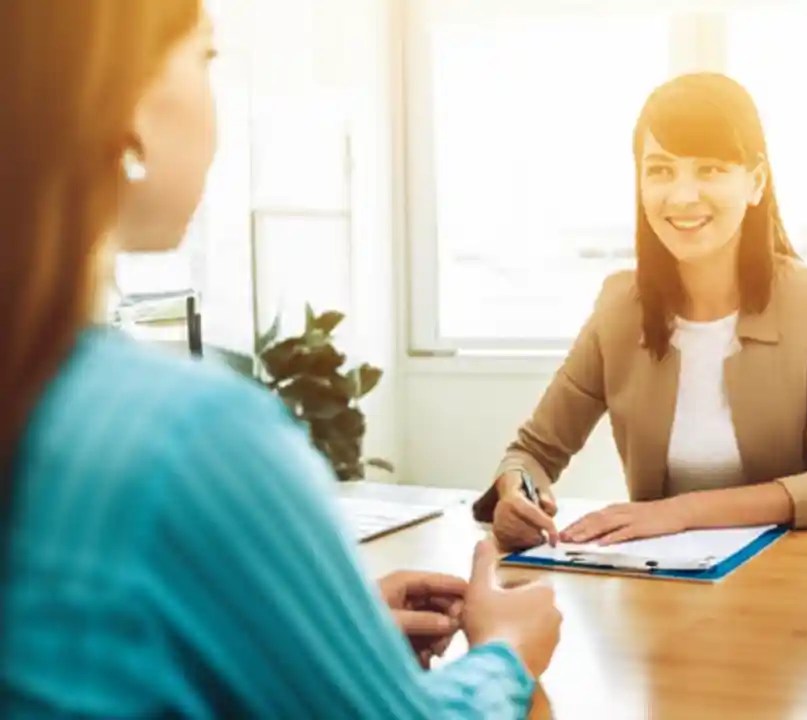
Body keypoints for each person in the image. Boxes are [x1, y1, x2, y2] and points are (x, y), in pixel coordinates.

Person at [0, 3, 559, 717]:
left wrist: (316, 643)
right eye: (205, 59)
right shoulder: (187, 437)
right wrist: (506, 651)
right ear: (124, 99)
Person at [473, 72, 807, 550]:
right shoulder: (619, 308)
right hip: (663, 593)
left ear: (755, 182)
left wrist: (679, 513)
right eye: (661, 170)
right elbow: (532, 452)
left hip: (789, 586)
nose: (682, 195)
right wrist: (516, 493)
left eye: (709, 169)